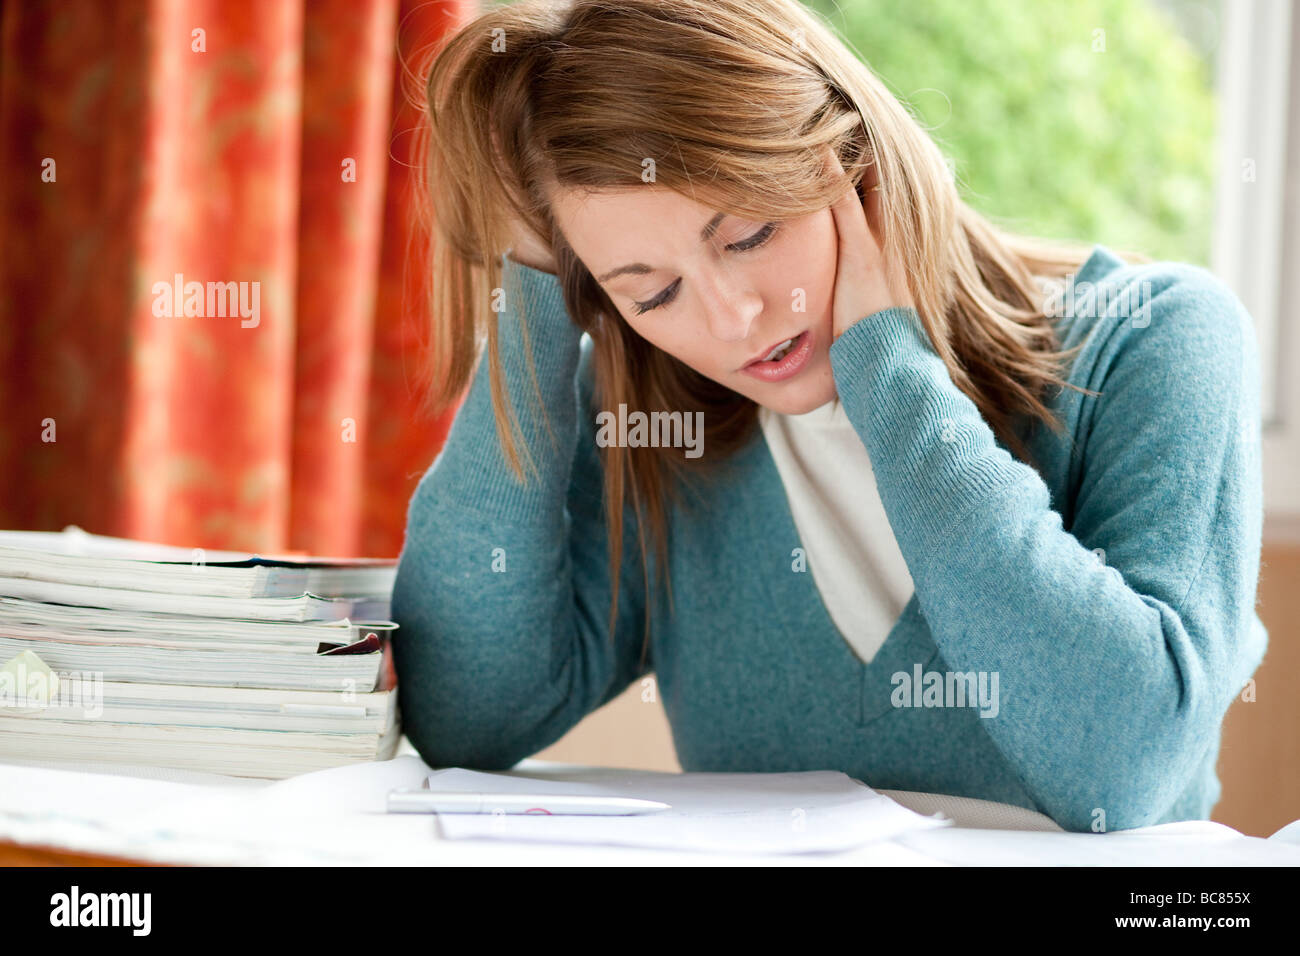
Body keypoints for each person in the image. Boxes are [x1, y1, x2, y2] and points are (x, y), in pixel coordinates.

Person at [391, 0, 1266, 833]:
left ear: (852, 154)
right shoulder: (656, 425)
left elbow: (1126, 766)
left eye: (749, 236)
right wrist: (533, 293)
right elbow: (468, 715)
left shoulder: (1157, 339)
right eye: (652, 292)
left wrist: (889, 370)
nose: (733, 318)